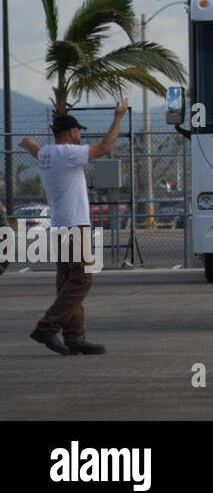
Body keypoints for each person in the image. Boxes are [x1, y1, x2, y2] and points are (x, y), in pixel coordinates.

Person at [19, 99, 127, 355]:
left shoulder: (46, 153)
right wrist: (118, 117)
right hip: (74, 226)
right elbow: (106, 147)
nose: (80, 137)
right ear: (73, 133)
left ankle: (75, 338)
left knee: (67, 280)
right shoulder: (67, 153)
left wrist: (27, 143)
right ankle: (47, 327)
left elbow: (36, 150)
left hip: (59, 226)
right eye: (79, 133)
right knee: (82, 279)